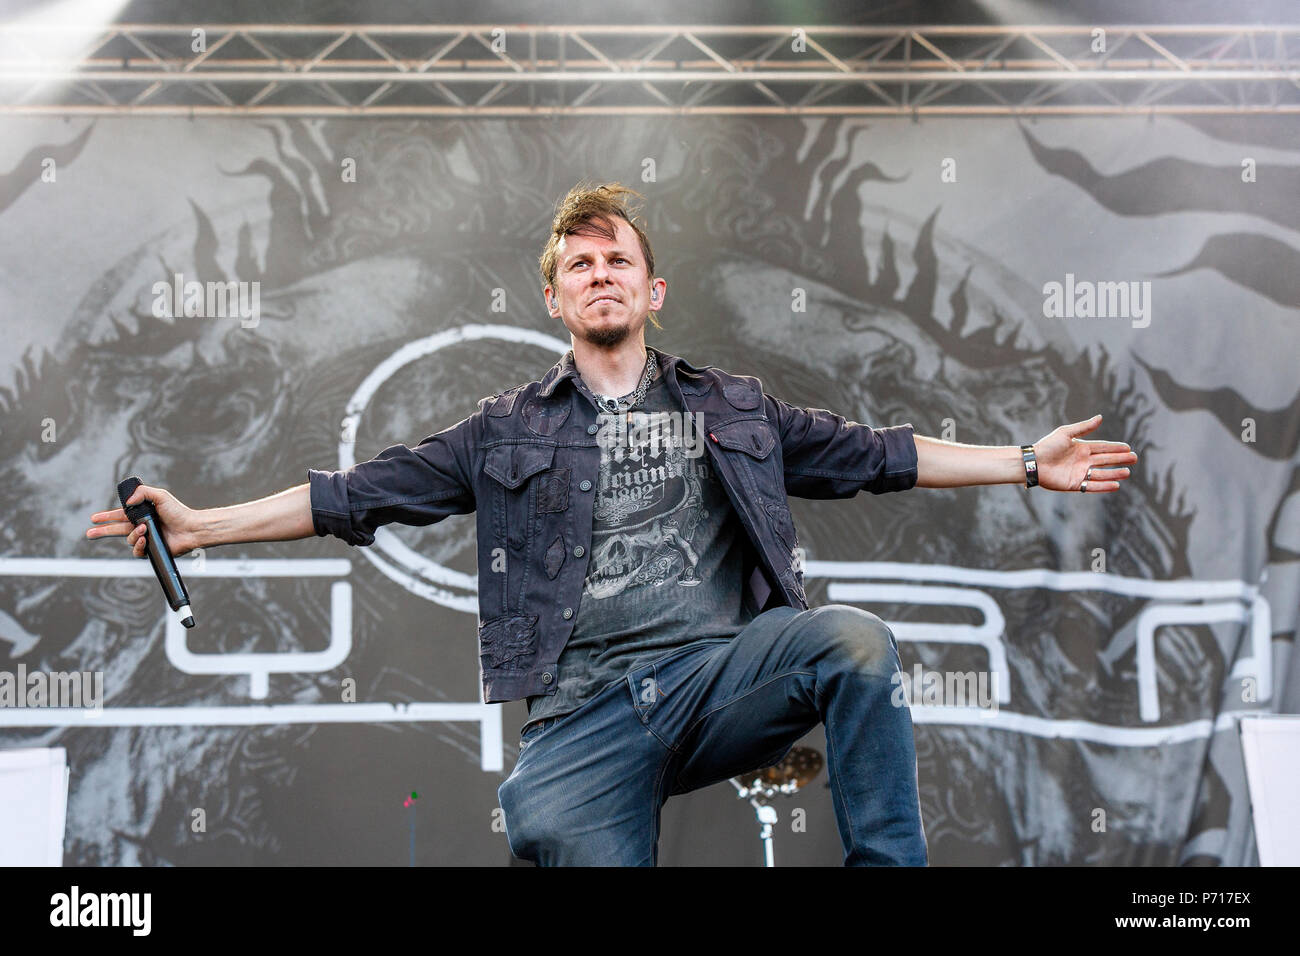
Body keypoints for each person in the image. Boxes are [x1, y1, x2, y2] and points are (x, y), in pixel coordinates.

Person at [86, 181, 1138, 866]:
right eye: (579, 264)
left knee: (854, 643)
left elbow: (880, 452)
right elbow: (347, 495)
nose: (600, 274)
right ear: (554, 298)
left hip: (713, 674)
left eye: (616, 260)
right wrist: (200, 525)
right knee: (552, 830)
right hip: (581, 719)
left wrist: (1023, 465)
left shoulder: (733, 408)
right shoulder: (500, 431)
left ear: (651, 287)